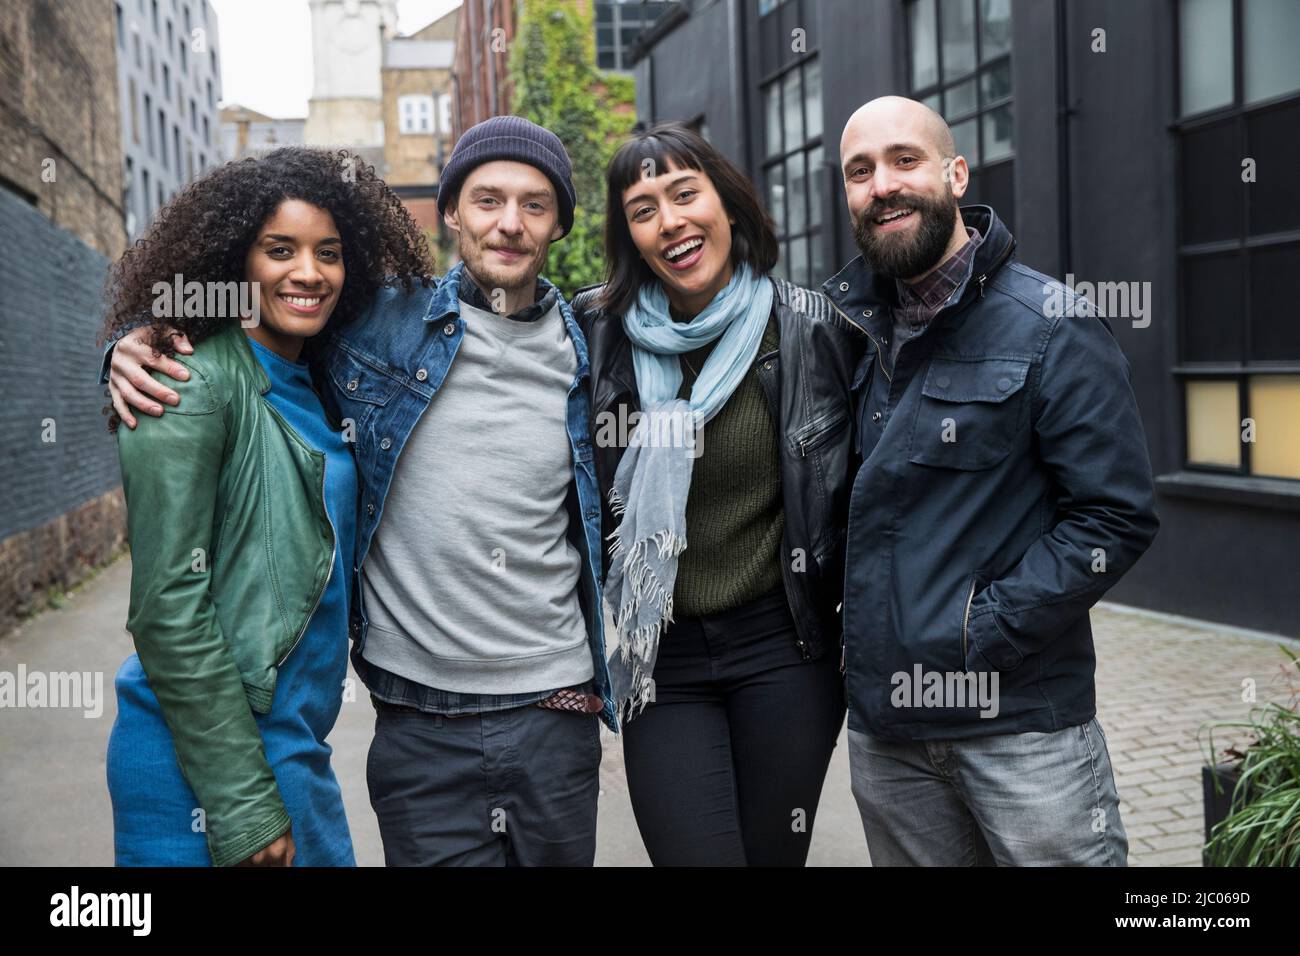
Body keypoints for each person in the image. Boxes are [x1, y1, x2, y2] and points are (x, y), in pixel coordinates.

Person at [104, 116, 616, 866]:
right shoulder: (380, 333)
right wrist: (131, 346)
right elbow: (169, 605)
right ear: (448, 211)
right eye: (486, 200)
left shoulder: (596, 345)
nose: (510, 223)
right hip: (331, 733)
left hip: (512, 718)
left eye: (535, 204)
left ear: (562, 222)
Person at [826, 96, 1160, 866]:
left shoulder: (1052, 324)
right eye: (860, 171)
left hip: (1021, 731)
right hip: (889, 740)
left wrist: (978, 633)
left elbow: (1115, 517)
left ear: (955, 172)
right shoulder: (846, 333)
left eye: (904, 160)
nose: (883, 185)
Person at [102, 147, 434, 866]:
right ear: (234, 261)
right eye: (279, 250)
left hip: (291, 748)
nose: (308, 272)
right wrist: (242, 803)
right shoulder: (189, 381)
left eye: (330, 253)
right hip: (205, 760)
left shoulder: (316, 376)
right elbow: (167, 606)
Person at [572, 123, 866, 865]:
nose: (668, 221)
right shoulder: (595, 332)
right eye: (642, 209)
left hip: (784, 650)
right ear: (631, 236)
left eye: (683, 193)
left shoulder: (812, 329)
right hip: (660, 658)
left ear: (727, 205)